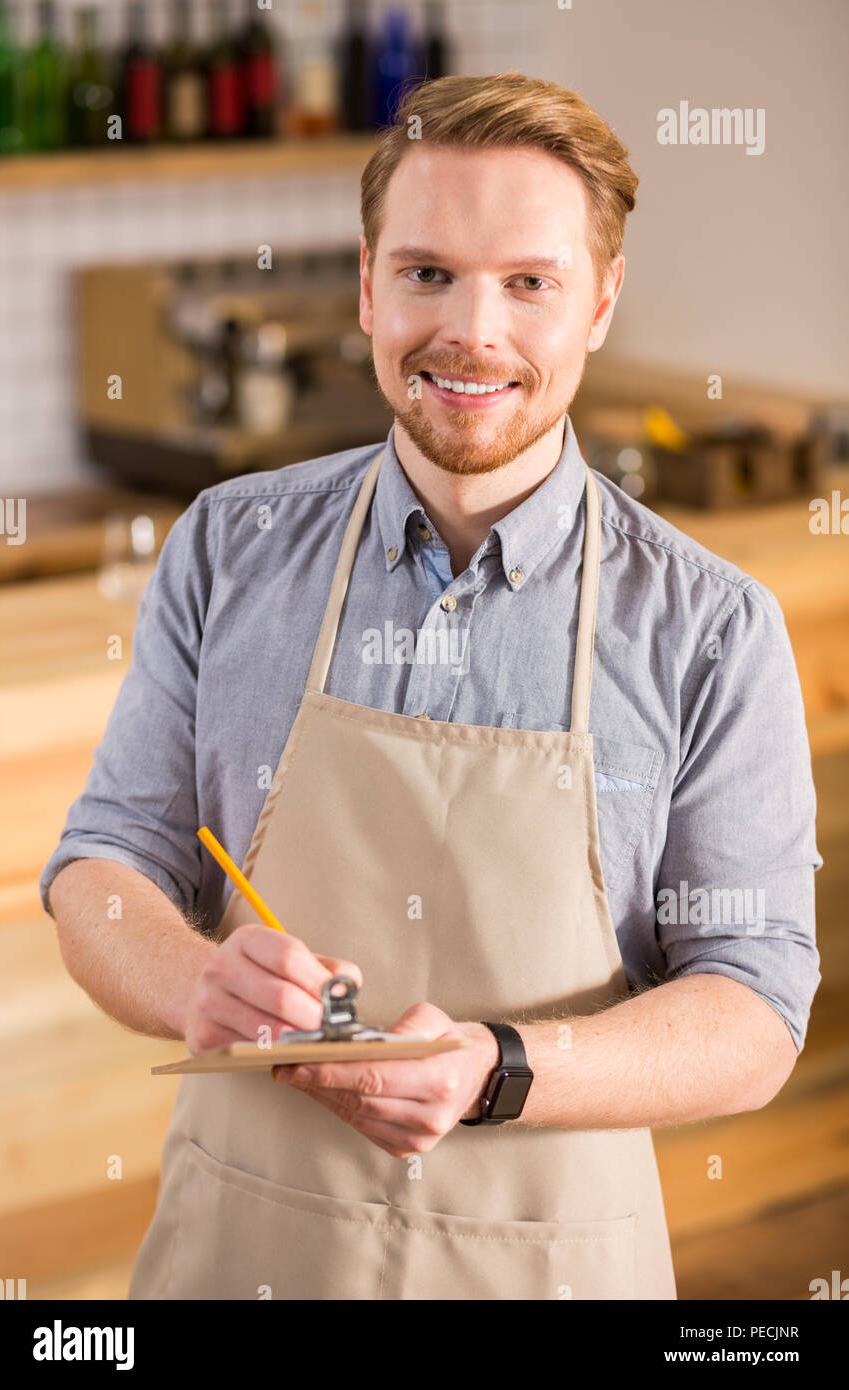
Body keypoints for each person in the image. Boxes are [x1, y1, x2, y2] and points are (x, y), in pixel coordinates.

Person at [41, 72, 821, 1301]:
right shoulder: (227, 546)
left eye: (528, 282)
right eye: (424, 274)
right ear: (364, 286)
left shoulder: (709, 627)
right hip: (245, 1254)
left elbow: (754, 1004)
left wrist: (499, 1066)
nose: (472, 330)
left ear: (600, 301)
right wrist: (195, 980)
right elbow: (102, 863)